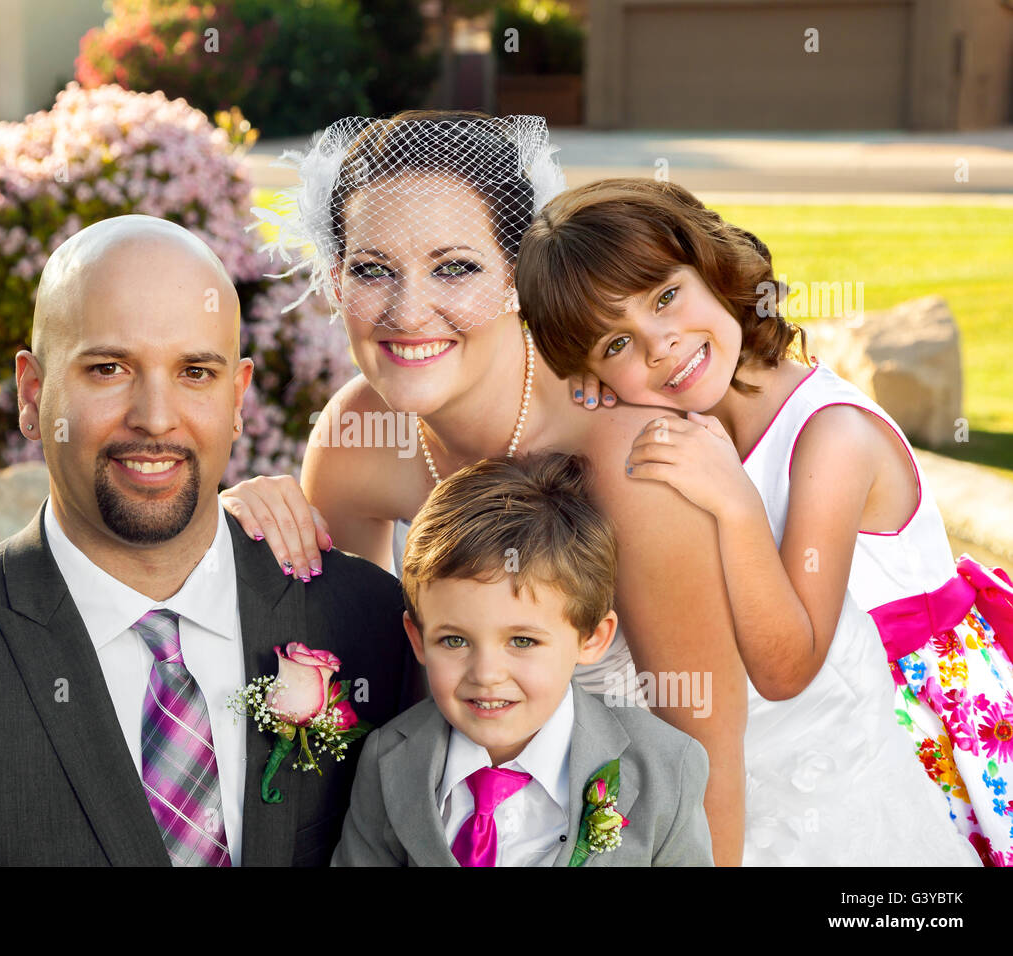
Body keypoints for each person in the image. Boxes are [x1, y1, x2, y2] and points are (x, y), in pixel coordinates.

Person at [0, 215, 420, 866]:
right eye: (108, 369)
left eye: (195, 372)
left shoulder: (368, 626)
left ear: (237, 396)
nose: (156, 418)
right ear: (31, 393)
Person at [222, 110, 749, 864]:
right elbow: (366, 692)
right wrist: (243, 527)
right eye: (372, 269)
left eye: (454, 268)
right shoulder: (354, 442)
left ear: (516, 274)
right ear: (335, 280)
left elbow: (704, 757)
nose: (408, 312)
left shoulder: (632, 460)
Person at [515, 176, 989, 866]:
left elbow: (786, 668)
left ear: (713, 267)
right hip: (786, 745)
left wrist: (735, 503)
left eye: (666, 296)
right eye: (615, 344)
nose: (660, 347)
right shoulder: (670, 417)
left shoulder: (832, 441)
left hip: (908, 733)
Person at [332, 452, 714, 866]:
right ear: (418, 638)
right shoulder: (387, 760)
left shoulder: (665, 768)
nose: (487, 674)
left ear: (591, 638)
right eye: (455, 640)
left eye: (523, 641)